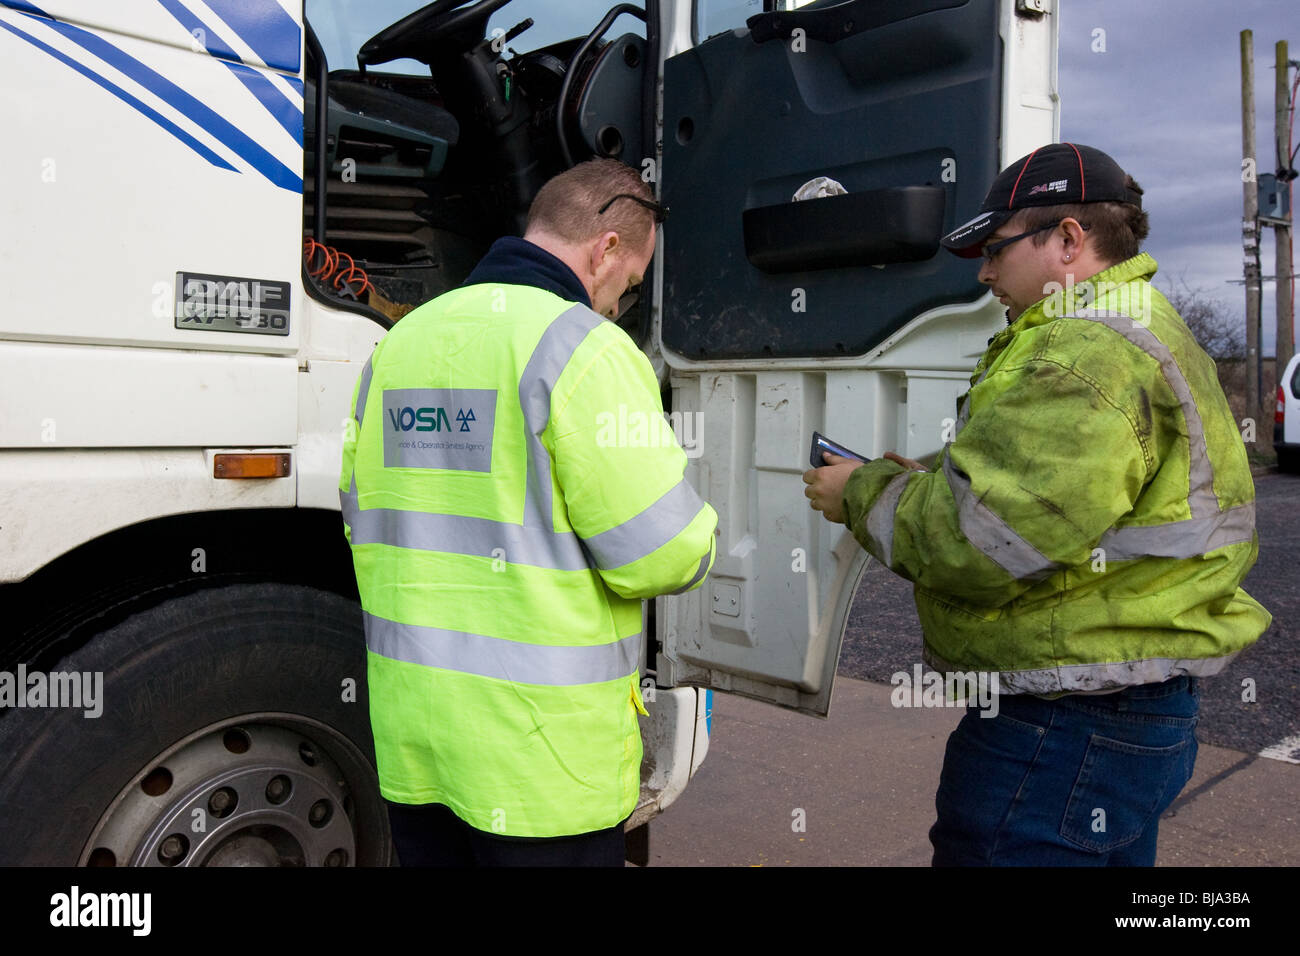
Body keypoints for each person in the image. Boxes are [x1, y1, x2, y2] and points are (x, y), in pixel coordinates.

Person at [802, 143, 1270, 866]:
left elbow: (978, 544)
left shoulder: (1080, 353)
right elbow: (1066, 497)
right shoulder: (1141, 324)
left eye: (995, 249)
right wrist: (922, 479)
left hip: (1065, 719)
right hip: (1124, 704)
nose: (985, 273)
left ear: (1069, 241)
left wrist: (859, 494)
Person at [339, 158, 718, 866]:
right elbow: (661, 555)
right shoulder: (583, 348)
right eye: (629, 285)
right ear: (607, 248)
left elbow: (363, 517)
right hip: (542, 771)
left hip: (419, 749)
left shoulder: (398, 345)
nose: (615, 306)